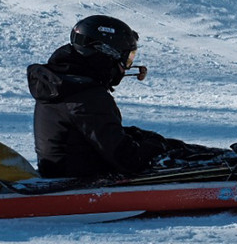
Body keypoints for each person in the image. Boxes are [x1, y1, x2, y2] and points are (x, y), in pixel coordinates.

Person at [27, 15, 220, 179]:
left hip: (62, 170)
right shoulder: (86, 95)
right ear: (106, 54)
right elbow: (128, 161)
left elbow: (84, 136)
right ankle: (222, 171)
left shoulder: (63, 84)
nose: (125, 67)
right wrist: (156, 145)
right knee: (163, 151)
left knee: (151, 141)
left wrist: (138, 136)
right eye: (127, 59)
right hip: (84, 179)